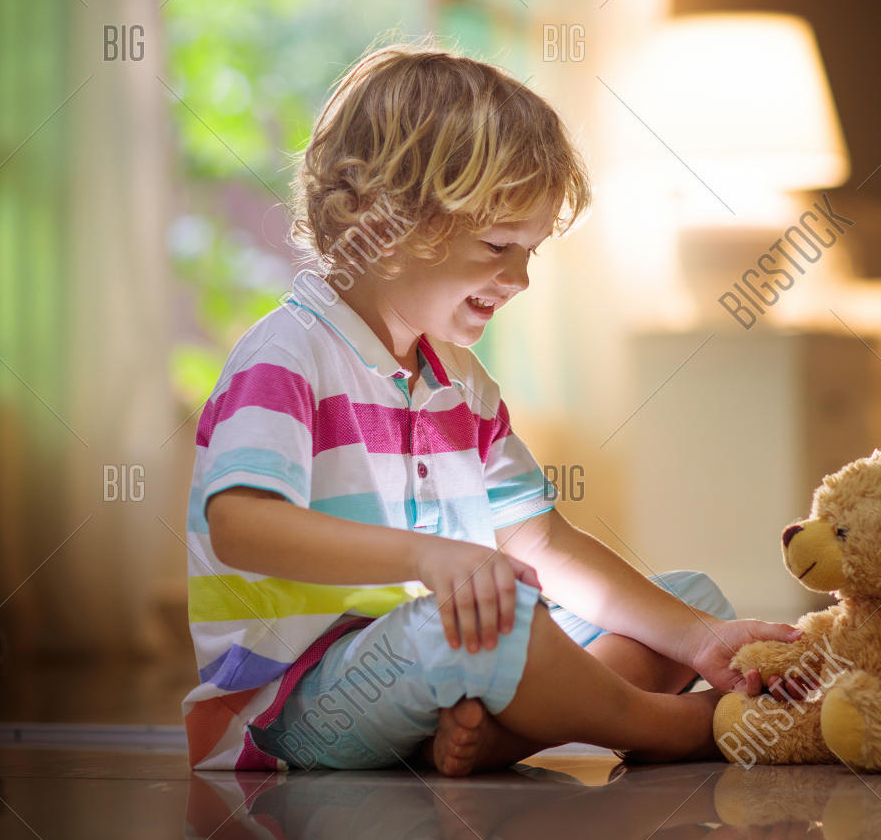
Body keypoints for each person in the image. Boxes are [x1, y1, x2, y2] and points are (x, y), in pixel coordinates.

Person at [182, 43, 802, 776]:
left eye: (530, 251)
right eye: (499, 244)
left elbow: (541, 544)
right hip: (297, 703)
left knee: (689, 600)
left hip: (440, 663)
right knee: (496, 624)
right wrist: (427, 556)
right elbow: (240, 524)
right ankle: (676, 728)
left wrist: (700, 640)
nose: (521, 278)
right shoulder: (286, 354)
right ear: (378, 222)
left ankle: (501, 737)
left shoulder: (463, 385)